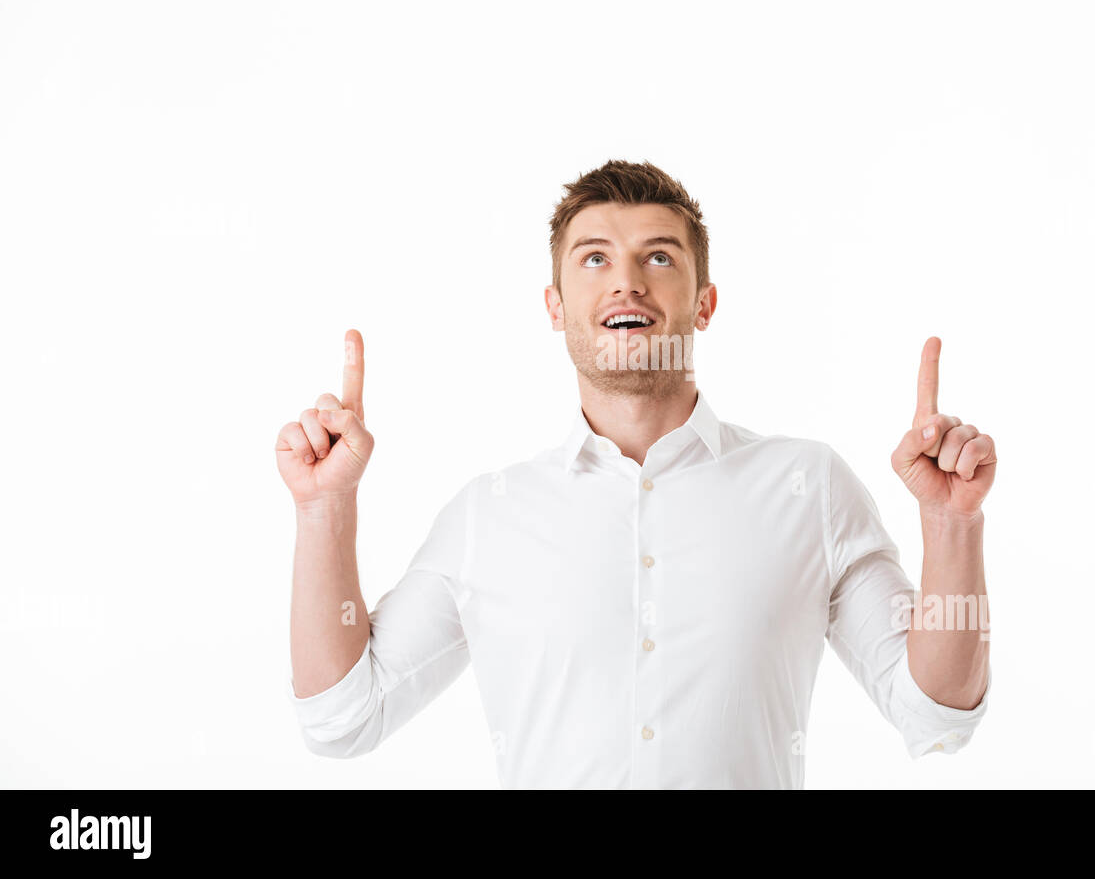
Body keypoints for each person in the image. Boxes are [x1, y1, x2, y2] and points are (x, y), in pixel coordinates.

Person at [275, 159, 996, 789]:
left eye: (659, 258)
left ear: (704, 302)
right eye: (594, 258)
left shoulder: (809, 488)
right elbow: (343, 719)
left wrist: (952, 524)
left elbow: (936, 713)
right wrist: (323, 510)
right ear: (555, 308)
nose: (626, 281)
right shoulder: (487, 517)